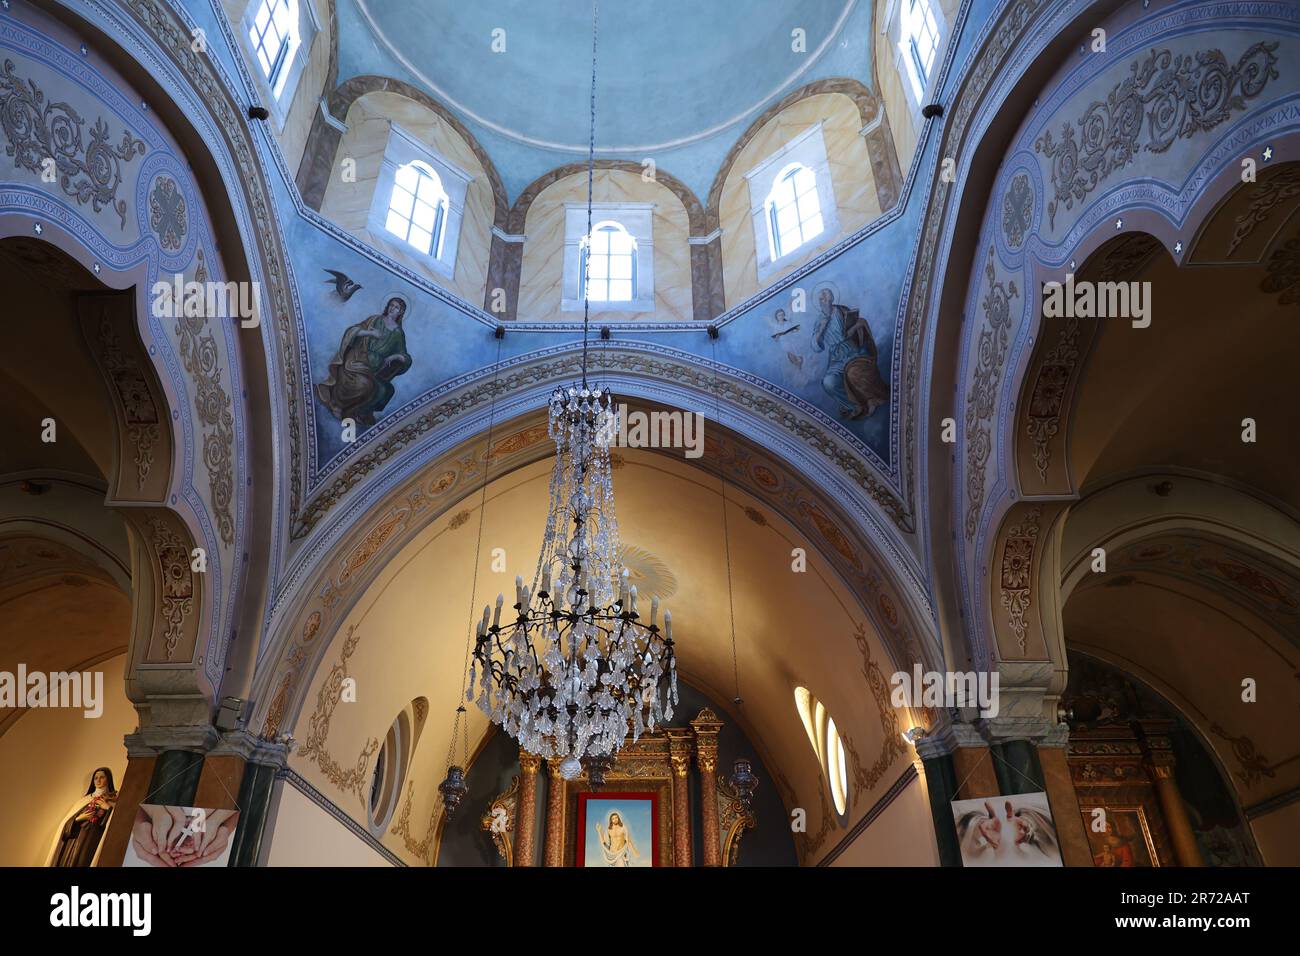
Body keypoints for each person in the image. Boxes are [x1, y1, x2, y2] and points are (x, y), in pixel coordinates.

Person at [316, 296, 413, 428]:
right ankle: (338, 405)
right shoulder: (375, 320)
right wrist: (370, 333)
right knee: (365, 385)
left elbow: (404, 355)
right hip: (357, 358)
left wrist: (395, 356)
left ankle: (359, 413)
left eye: (396, 307)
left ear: (401, 312)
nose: (392, 308)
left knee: (386, 390)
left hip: (375, 369)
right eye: (391, 305)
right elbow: (352, 331)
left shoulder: (398, 333)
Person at [811, 286, 889, 419]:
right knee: (829, 382)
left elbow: (859, 322)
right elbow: (816, 346)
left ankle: (871, 399)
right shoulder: (819, 320)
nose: (826, 300)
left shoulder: (842, 310)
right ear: (820, 301)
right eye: (823, 297)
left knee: (854, 373)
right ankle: (854, 406)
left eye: (828, 296)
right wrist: (821, 329)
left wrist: (854, 329)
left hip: (852, 351)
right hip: (836, 358)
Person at [48, 768, 116, 867]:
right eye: (95, 778)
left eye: (102, 777)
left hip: (93, 840)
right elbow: (66, 825)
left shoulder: (113, 799)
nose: (98, 780)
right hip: (75, 839)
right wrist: (78, 819)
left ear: (108, 779)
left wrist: (108, 808)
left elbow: (115, 825)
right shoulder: (84, 800)